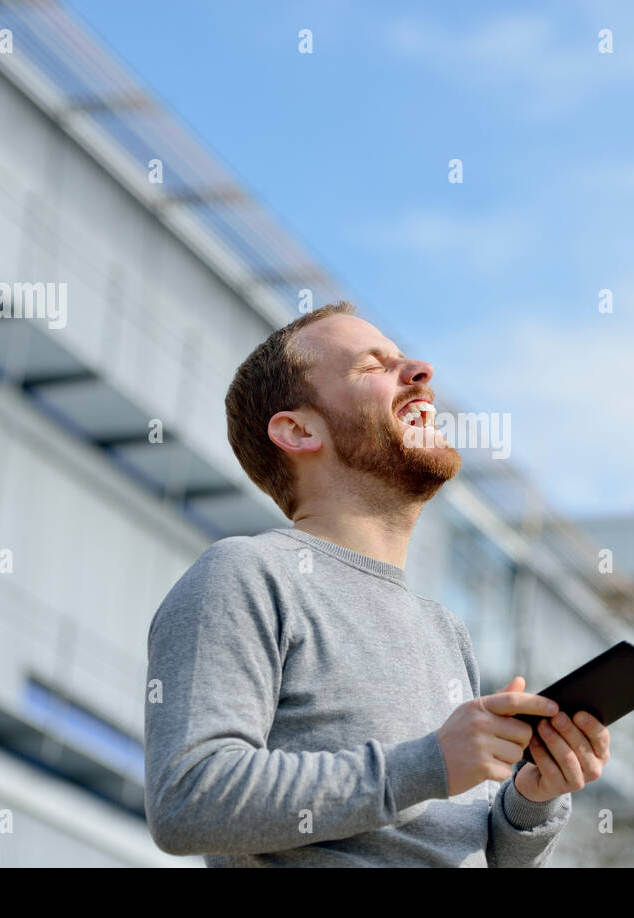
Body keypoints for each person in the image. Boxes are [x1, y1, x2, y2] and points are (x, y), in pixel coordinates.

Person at [143, 301, 609, 866]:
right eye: (372, 366)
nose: (421, 372)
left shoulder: (445, 630)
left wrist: (531, 800)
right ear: (297, 429)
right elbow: (189, 798)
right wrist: (430, 764)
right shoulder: (245, 574)